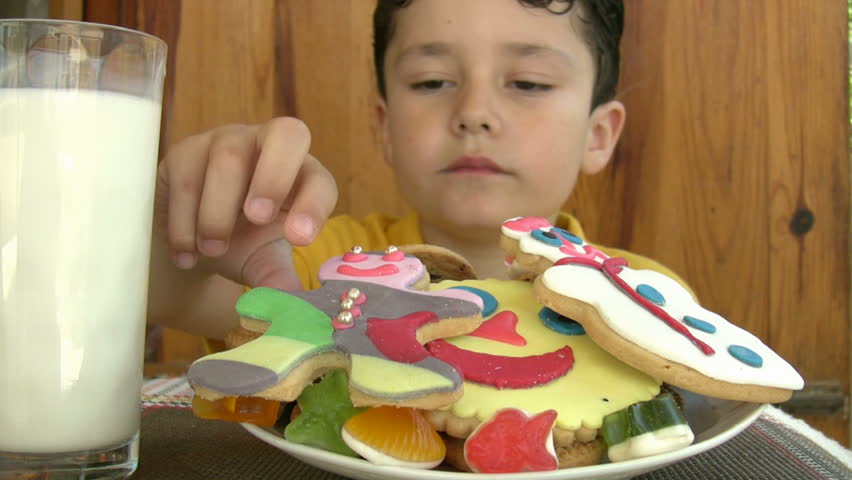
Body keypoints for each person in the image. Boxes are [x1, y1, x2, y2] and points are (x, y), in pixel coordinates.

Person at [146, 0, 689, 341]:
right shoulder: (314, 267)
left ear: (598, 136)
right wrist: (178, 231)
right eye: (432, 81)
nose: (474, 113)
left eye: (528, 82)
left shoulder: (648, 298)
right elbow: (172, 295)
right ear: (384, 127)